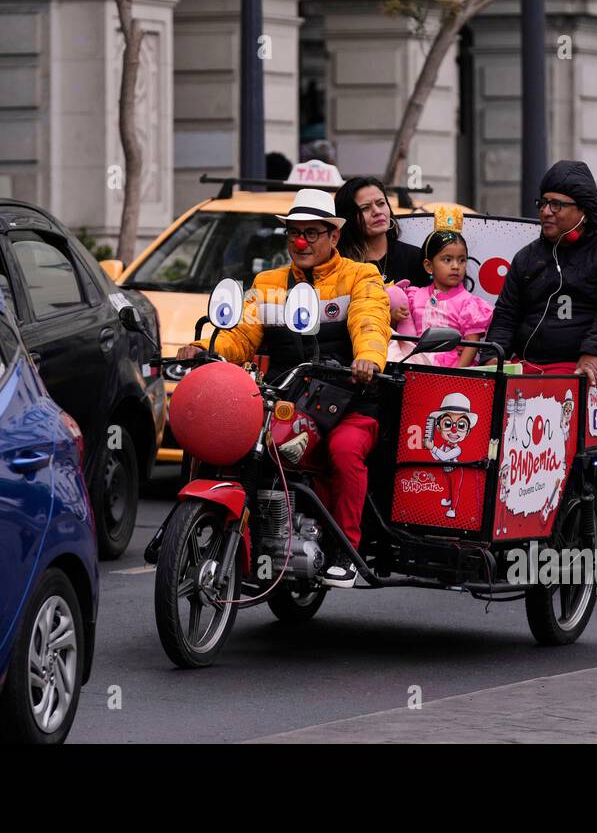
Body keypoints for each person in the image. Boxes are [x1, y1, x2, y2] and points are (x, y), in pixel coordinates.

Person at [175, 188, 391, 588]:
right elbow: (241, 334)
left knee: (344, 451)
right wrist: (208, 349)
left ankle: (346, 547)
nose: (301, 242)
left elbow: (370, 322)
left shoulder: (361, 276)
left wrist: (368, 359)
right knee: (236, 439)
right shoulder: (269, 282)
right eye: (294, 233)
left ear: (334, 237)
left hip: (349, 401)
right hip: (287, 398)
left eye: (311, 233)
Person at [484, 160, 597, 388]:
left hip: (580, 368)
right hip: (523, 368)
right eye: (542, 203)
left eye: (556, 205)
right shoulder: (527, 256)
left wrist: (593, 352)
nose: (545, 211)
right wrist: (493, 360)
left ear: (583, 211)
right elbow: (506, 315)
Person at [388, 229, 493, 367]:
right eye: (447, 260)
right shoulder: (414, 296)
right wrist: (395, 318)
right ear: (429, 266)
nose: (456, 266)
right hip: (416, 362)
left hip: (450, 368)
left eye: (462, 260)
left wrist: (456, 374)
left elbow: (471, 345)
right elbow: (403, 330)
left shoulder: (469, 303)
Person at [334, 176, 432, 299]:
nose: (377, 211)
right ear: (348, 217)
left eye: (381, 203)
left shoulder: (416, 257)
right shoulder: (339, 263)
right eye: (365, 208)